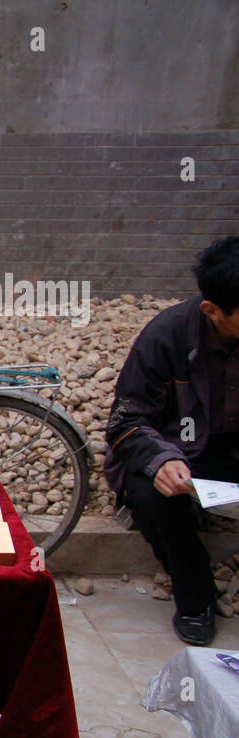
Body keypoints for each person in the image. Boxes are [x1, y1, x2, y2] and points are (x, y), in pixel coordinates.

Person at [105, 235, 239, 645]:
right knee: (153, 493)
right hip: (181, 452)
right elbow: (126, 420)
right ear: (212, 310)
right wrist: (161, 459)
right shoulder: (167, 336)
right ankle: (196, 597)